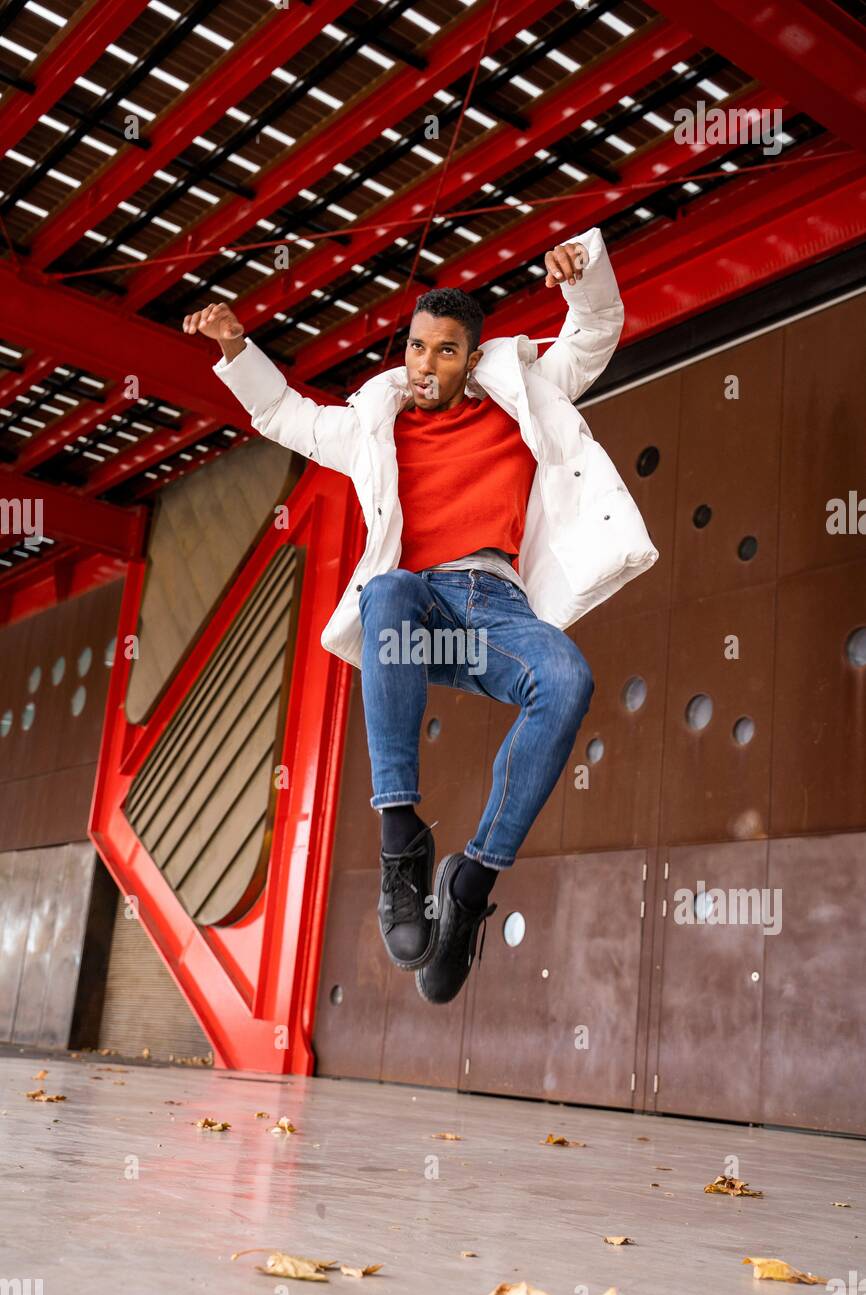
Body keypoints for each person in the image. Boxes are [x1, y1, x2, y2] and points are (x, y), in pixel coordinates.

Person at [184, 225, 658, 1007]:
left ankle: (469, 885)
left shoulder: (524, 394)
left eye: (444, 352)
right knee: (388, 589)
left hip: (498, 607)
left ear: (473, 359)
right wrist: (236, 348)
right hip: (416, 616)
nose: (424, 365)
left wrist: (585, 271)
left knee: (568, 677)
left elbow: (596, 331)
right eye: (414, 348)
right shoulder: (378, 424)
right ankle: (402, 837)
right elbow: (287, 418)